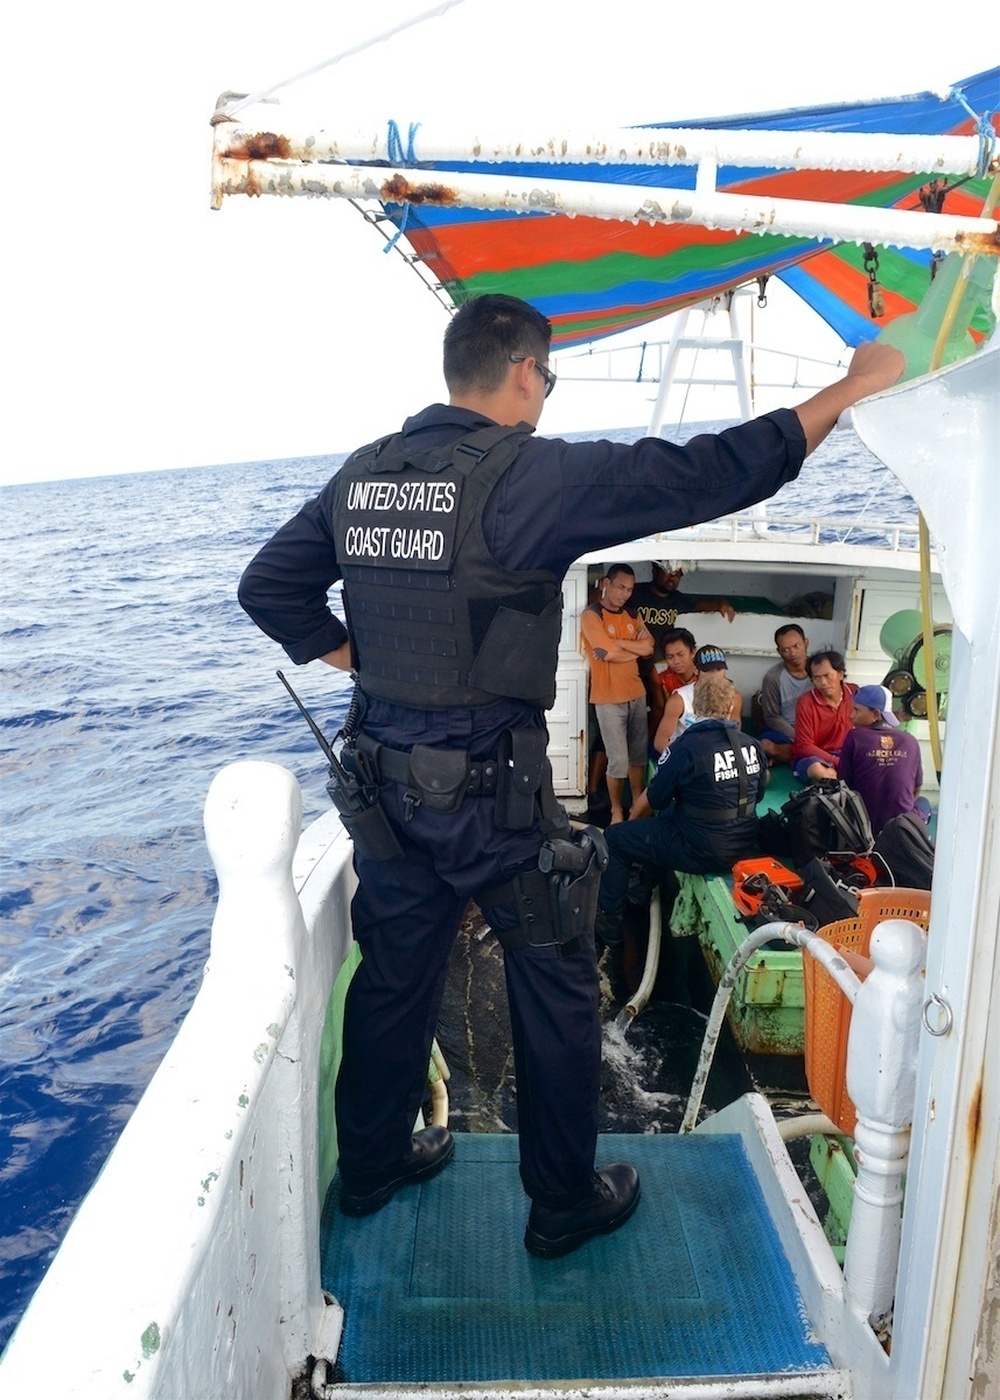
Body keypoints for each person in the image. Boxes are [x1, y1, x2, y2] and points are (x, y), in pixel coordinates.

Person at [237, 292, 902, 1260]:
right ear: (521, 372)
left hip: (386, 791)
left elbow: (268, 586)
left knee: (390, 981)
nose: (544, 393)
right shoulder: (525, 476)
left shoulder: (364, 475)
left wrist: (358, 660)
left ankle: (373, 1165)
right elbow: (706, 473)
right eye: (545, 376)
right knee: (552, 986)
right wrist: (852, 386)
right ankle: (560, 1203)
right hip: (494, 803)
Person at [598, 673, 768, 928]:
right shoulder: (752, 745)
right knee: (674, 817)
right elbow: (759, 795)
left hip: (701, 850)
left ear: (696, 706)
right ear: (731, 706)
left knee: (615, 839)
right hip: (745, 842)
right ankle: (642, 889)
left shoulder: (685, 747)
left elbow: (656, 798)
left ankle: (610, 922)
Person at [580, 565, 654, 824]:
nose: (625, 594)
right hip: (608, 698)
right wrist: (634, 648)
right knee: (618, 760)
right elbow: (605, 653)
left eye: (630, 589)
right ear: (606, 584)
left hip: (636, 692)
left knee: (637, 756)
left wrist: (620, 646)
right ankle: (615, 810)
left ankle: (635, 803)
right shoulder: (592, 615)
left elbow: (649, 647)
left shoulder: (633, 613)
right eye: (621, 587)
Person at [632, 564, 736, 730]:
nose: (672, 578)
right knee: (634, 721)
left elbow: (703, 604)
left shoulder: (679, 600)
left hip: (660, 668)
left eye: (677, 575)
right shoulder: (636, 593)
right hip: (632, 670)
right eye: (668, 573)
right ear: (654, 571)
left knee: (660, 711)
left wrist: (721, 603)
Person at [838, 684, 929, 834]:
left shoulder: (854, 737)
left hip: (862, 826)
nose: (851, 715)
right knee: (923, 803)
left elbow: (844, 785)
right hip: (899, 828)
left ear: (876, 714)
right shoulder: (910, 741)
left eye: (856, 710)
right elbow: (916, 788)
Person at [650, 643, 741, 759]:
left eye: (719, 669)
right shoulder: (679, 699)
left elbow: (735, 736)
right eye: (708, 670)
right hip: (685, 755)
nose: (715, 675)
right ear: (696, 671)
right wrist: (686, 760)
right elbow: (660, 742)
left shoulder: (734, 698)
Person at [791, 649, 858, 782]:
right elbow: (805, 746)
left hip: (848, 753)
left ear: (840, 674)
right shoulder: (805, 702)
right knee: (818, 771)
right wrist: (839, 762)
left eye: (827, 675)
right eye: (816, 678)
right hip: (816, 757)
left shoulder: (855, 692)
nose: (823, 682)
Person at [758, 624, 812, 765]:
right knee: (764, 744)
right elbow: (772, 716)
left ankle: (791, 755)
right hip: (787, 732)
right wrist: (797, 736)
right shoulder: (773, 677)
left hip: (815, 728)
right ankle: (803, 753)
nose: (793, 653)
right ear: (779, 651)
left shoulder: (820, 670)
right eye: (785, 650)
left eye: (796, 646)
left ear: (806, 643)